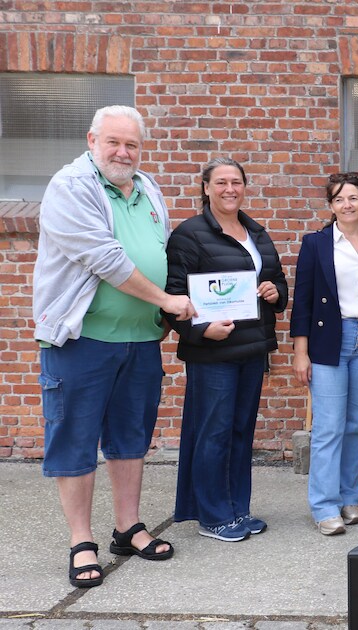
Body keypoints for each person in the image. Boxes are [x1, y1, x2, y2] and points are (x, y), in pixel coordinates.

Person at [34, 105, 195, 588]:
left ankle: (128, 528)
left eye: (132, 144)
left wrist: (162, 315)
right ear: (92, 141)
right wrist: (166, 299)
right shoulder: (70, 187)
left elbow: (159, 250)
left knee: (130, 438)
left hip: (140, 339)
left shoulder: (147, 187)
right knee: (76, 438)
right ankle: (81, 541)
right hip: (81, 339)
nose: (123, 152)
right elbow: (104, 258)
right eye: (114, 142)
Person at [165, 157, 289, 543]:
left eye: (236, 182)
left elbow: (277, 282)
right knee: (213, 433)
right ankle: (214, 516)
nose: (229, 189)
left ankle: (238, 508)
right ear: (206, 188)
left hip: (251, 348)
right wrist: (202, 330)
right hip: (213, 353)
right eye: (220, 182)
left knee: (239, 432)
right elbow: (173, 297)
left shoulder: (256, 233)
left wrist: (274, 292)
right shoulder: (189, 234)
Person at [291, 172, 358, 536]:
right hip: (329, 341)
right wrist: (301, 352)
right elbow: (302, 302)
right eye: (339, 199)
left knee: (356, 425)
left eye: (353, 197)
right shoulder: (316, 244)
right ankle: (324, 506)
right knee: (328, 427)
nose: (347, 204)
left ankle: (349, 497)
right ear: (331, 206)